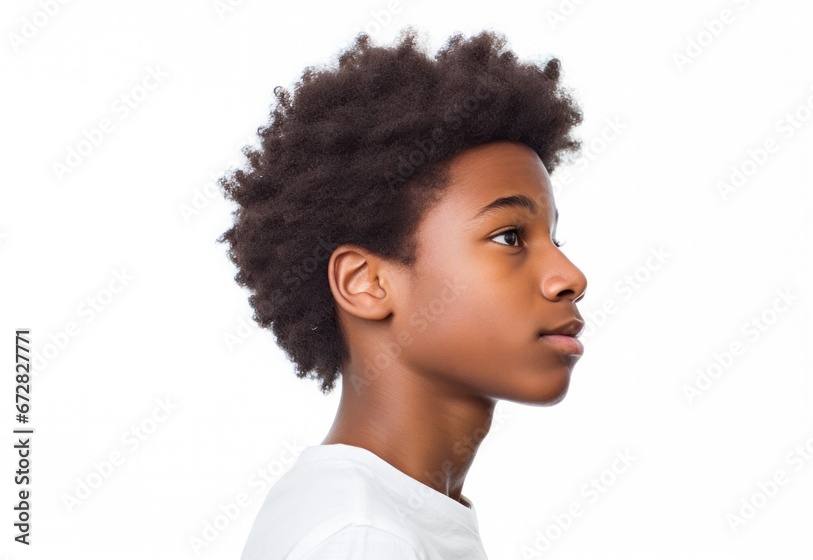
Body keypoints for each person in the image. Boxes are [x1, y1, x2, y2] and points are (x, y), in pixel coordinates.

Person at [218, 26, 588, 559]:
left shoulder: (389, 516)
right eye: (510, 236)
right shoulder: (362, 538)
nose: (569, 275)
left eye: (554, 238)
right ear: (365, 283)